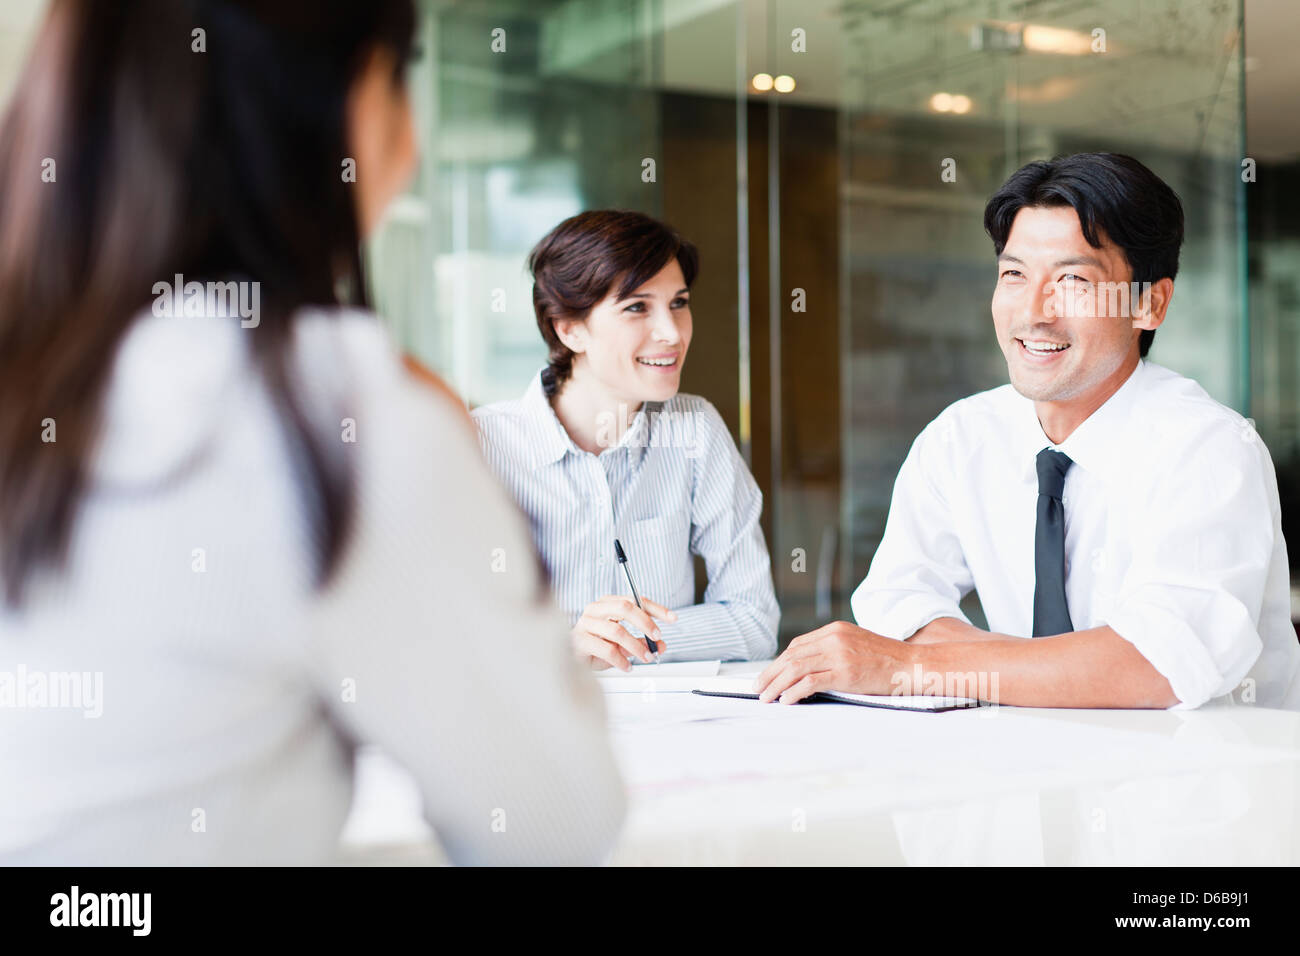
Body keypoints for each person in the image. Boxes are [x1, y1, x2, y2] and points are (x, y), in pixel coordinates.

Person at [0, 0, 623, 864]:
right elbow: (555, 822)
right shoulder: (331, 411)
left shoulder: (42, 379)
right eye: (401, 73)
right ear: (351, 104)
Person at [756, 152, 1299, 710]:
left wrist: (913, 667)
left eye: (1072, 279)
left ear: (1149, 303)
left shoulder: (1208, 449)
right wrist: (1041, 670)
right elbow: (898, 602)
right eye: (1014, 274)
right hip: (1032, 769)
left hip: (1211, 781)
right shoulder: (963, 437)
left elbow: (1158, 666)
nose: (1033, 312)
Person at [473, 210, 779, 671]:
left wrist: (626, 639)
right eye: (637, 307)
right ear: (569, 328)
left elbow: (755, 621)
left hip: (672, 731)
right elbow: (440, 638)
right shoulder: (482, 446)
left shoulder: (695, 431)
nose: (672, 333)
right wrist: (560, 650)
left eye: (679, 302)